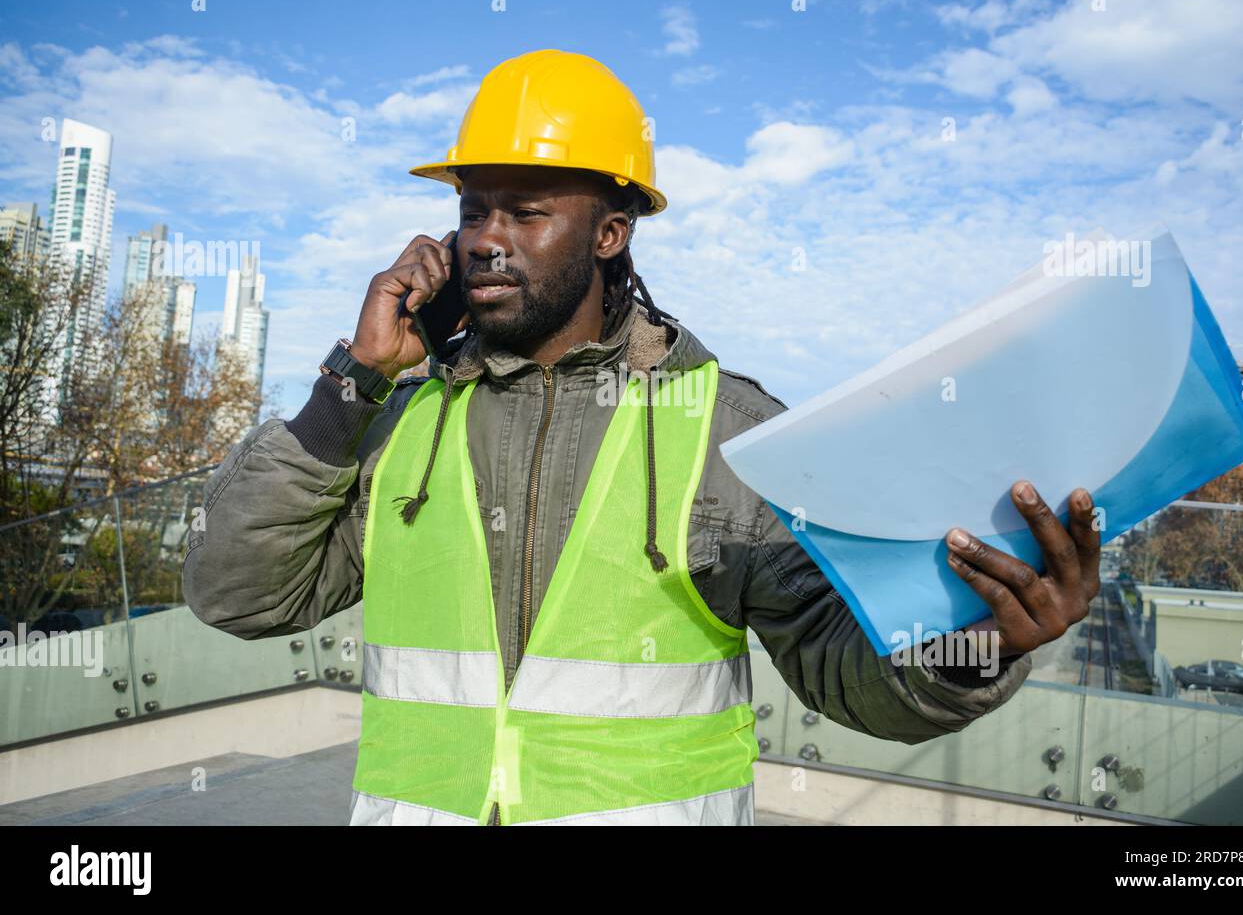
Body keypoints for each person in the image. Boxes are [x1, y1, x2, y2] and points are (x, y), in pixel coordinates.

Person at [183, 49, 1100, 826]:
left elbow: (839, 666)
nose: (484, 243)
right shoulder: (398, 422)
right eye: (472, 211)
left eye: (526, 210)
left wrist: (982, 646)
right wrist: (356, 382)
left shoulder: (727, 430)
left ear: (611, 231)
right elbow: (236, 595)